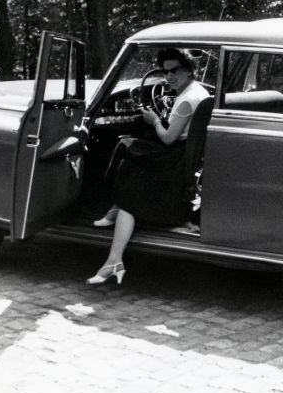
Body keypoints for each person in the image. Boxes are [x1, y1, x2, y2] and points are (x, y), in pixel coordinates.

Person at [86, 48, 210, 285]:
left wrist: (153, 120)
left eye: (175, 71)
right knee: (128, 147)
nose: (169, 77)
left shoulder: (186, 100)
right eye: (165, 72)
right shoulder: (197, 91)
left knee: (128, 162)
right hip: (183, 155)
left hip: (174, 159)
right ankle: (113, 249)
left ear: (188, 71)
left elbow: (167, 138)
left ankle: (114, 257)